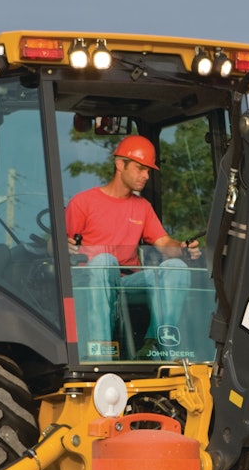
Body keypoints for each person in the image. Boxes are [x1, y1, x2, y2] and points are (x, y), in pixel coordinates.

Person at [65, 135, 201, 359]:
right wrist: (59, 245)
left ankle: (156, 346)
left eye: (148, 171)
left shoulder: (142, 207)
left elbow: (164, 243)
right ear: (120, 165)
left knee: (176, 266)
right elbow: (58, 245)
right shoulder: (83, 203)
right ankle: (101, 353)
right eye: (140, 169)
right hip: (92, 282)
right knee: (104, 260)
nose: (146, 176)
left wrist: (183, 248)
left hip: (128, 282)